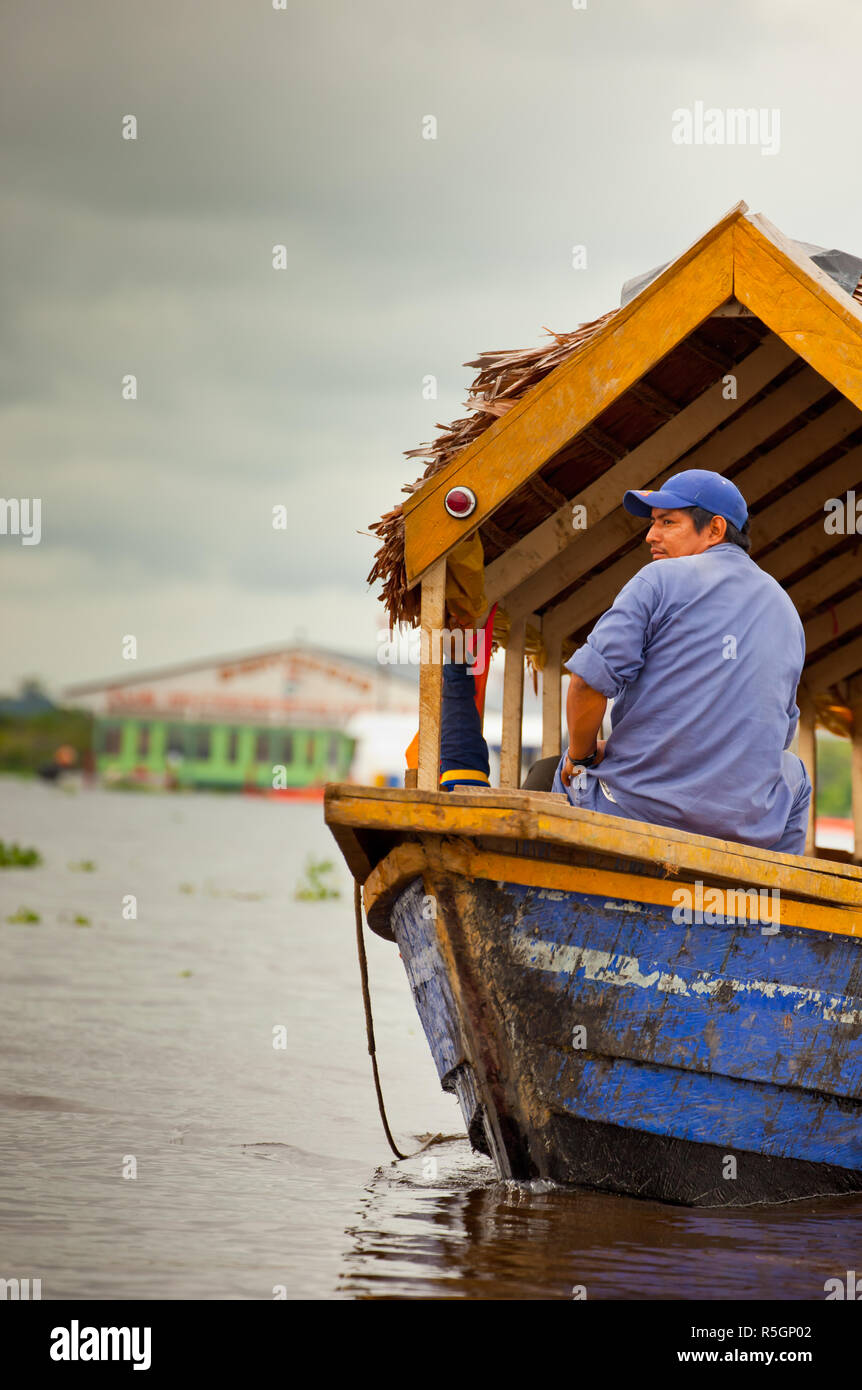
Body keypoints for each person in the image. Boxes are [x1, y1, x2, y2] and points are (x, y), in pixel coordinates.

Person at [551, 468, 812, 855]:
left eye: (668, 522)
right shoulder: (787, 612)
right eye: (653, 523)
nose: (650, 535)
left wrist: (583, 755)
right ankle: (771, 895)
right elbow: (778, 734)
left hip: (635, 810)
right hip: (744, 828)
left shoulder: (659, 579)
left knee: (568, 768)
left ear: (715, 529)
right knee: (795, 775)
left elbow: (586, 684)